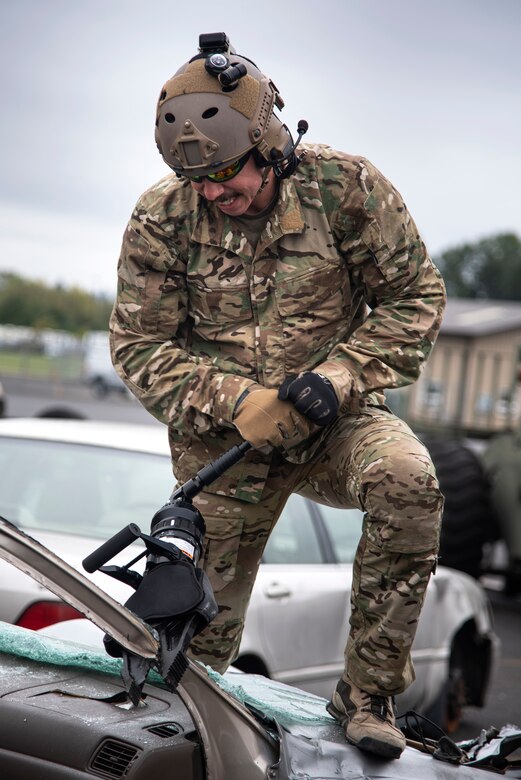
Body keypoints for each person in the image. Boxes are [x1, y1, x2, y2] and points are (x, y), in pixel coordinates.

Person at [109, 32, 446, 759]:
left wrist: (341, 374)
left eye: (227, 175)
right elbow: (137, 347)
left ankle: (367, 692)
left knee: (408, 481)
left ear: (273, 147)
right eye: (195, 180)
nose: (211, 193)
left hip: (335, 422)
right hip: (225, 448)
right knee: (196, 658)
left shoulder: (345, 190)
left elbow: (414, 299)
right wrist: (231, 399)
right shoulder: (161, 218)